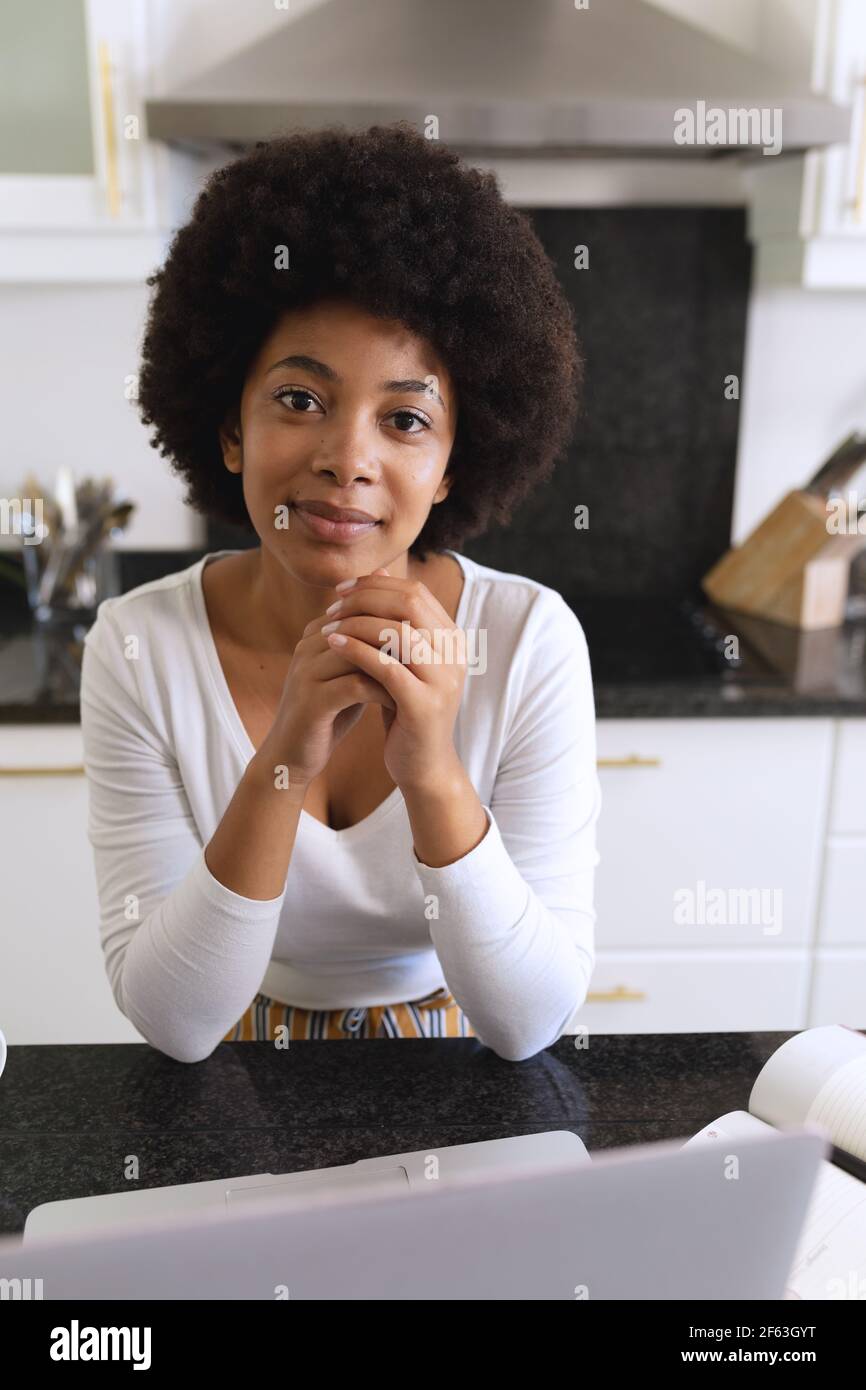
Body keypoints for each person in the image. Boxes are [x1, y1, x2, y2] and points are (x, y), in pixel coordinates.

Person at [80, 123, 601, 1062]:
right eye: (298, 400)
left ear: (451, 466)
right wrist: (286, 751)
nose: (347, 461)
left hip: (457, 1045)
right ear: (229, 428)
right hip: (239, 1051)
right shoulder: (137, 645)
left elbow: (527, 1025)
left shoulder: (528, 641)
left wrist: (433, 769)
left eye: (405, 419)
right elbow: (177, 1022)